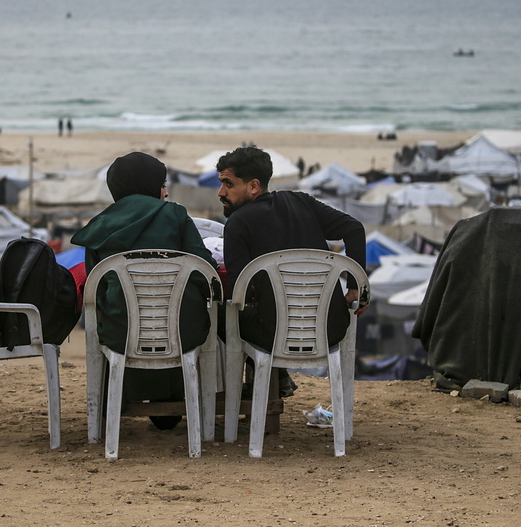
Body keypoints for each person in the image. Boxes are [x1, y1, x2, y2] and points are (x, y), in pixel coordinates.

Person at [71, 151, 217, 430]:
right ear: (152, 185)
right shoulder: (174, 214)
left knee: (121, 314)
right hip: (182, 331)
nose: (165, 191)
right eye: (162, 184)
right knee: (190, 314)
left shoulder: (100, 225)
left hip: (121, 333)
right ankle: (178, 405)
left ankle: (118, 405)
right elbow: (203, 269)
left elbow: (96, 285)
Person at [216, 146, 368, 395]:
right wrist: (355, 287)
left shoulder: (237, 224)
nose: (221, 192)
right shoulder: (301, 202)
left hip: (274, 336)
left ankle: (264, 378)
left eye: (228, 184)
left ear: (253, 186)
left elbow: (240, 293)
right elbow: (354, 229)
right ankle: (277, 377)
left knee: (221, 313)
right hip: (330, 328)